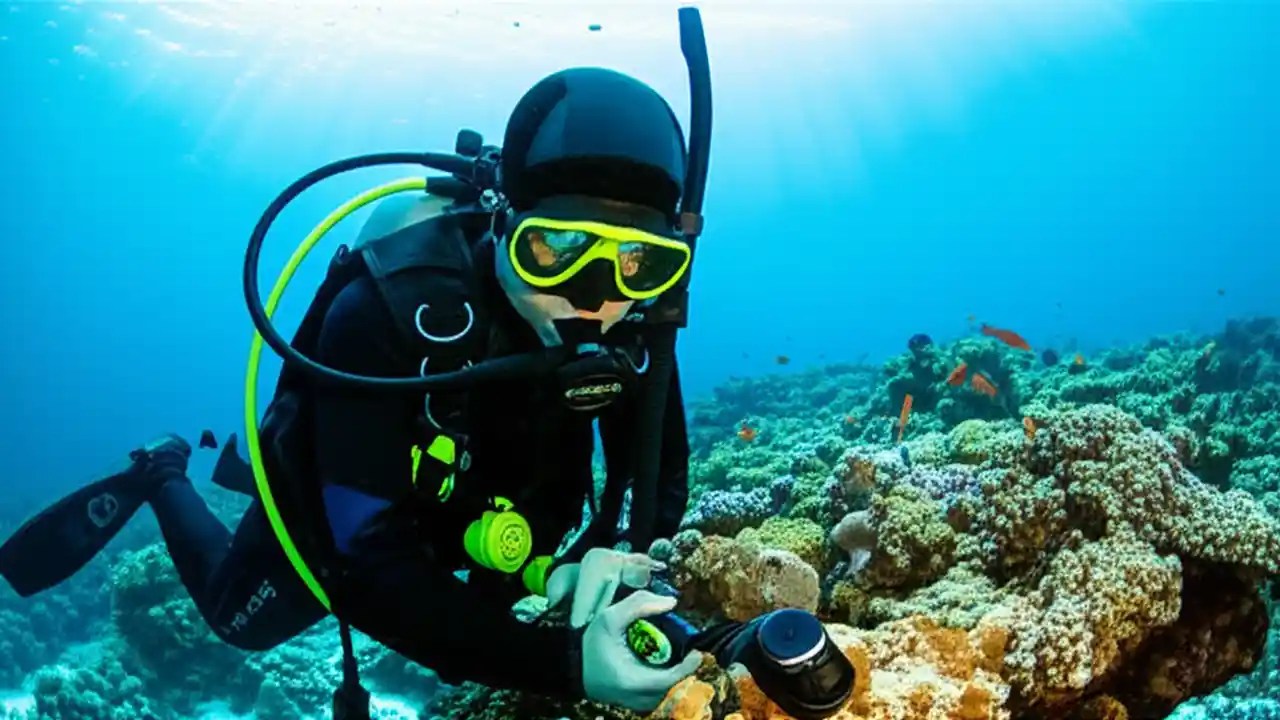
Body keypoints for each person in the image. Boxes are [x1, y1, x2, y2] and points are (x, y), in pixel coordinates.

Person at [0, 64, 709, 713]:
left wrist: (602, 556)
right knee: (239, 620)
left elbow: (658, 482)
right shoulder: (386, 314)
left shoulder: (635, 326)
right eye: (555, 248)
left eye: (640, 262)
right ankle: (162, 471)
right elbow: (364, 565)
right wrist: (563, 665)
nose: (594, 298)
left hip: (487, 516)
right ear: (504, 222)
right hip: (351, 509)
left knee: (476, 626)